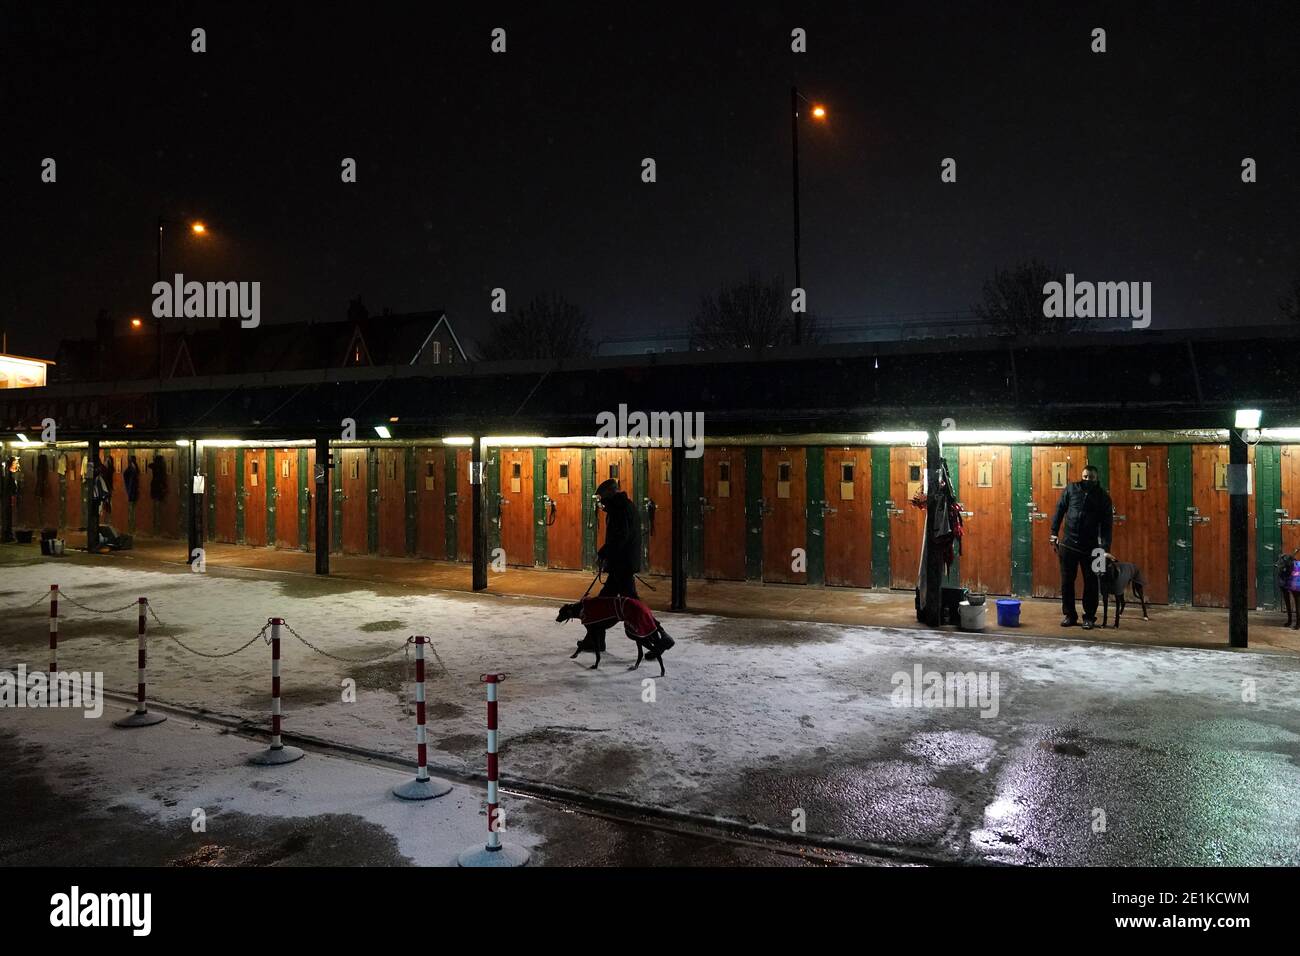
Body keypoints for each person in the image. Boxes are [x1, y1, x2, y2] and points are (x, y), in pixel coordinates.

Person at [578, 478, 642, 654]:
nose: (600, 501)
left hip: (622, 564)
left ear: (609, 494)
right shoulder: (623, 507)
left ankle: (658, 637)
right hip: (622, 564)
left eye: (601, 497)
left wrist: (603, 553)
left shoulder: (619, 510)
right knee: (607, 603)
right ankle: (594, 640)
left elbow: (620, 538)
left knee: (631, 605)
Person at [1050, 464, 1113, 630]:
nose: (1087, 480)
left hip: (1092, 547)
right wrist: (1054, 533)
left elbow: (1107, 525)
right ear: (1081, 476)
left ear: (1096, 478)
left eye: (1091, 477)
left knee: (1091, 583)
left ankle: (1089, 618)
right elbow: (1060, 509)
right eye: (1085, 477)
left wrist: (1105, 549)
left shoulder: (1103, 497)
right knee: (1066, 582)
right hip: (1068, 544)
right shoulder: (1071, 489)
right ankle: (1070, 615)